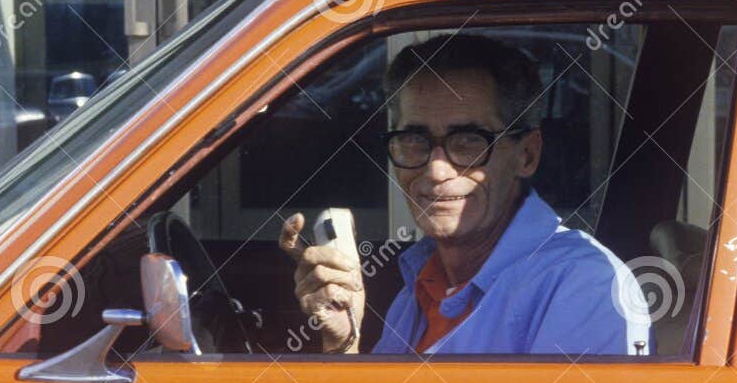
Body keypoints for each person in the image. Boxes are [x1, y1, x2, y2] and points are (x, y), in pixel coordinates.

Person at [278, 34, 650, 356]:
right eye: (415, 139)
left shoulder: (585, 287)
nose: (436, 170)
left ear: (527, 155)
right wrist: (343, 342)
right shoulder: (423, 278)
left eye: (469, 141)